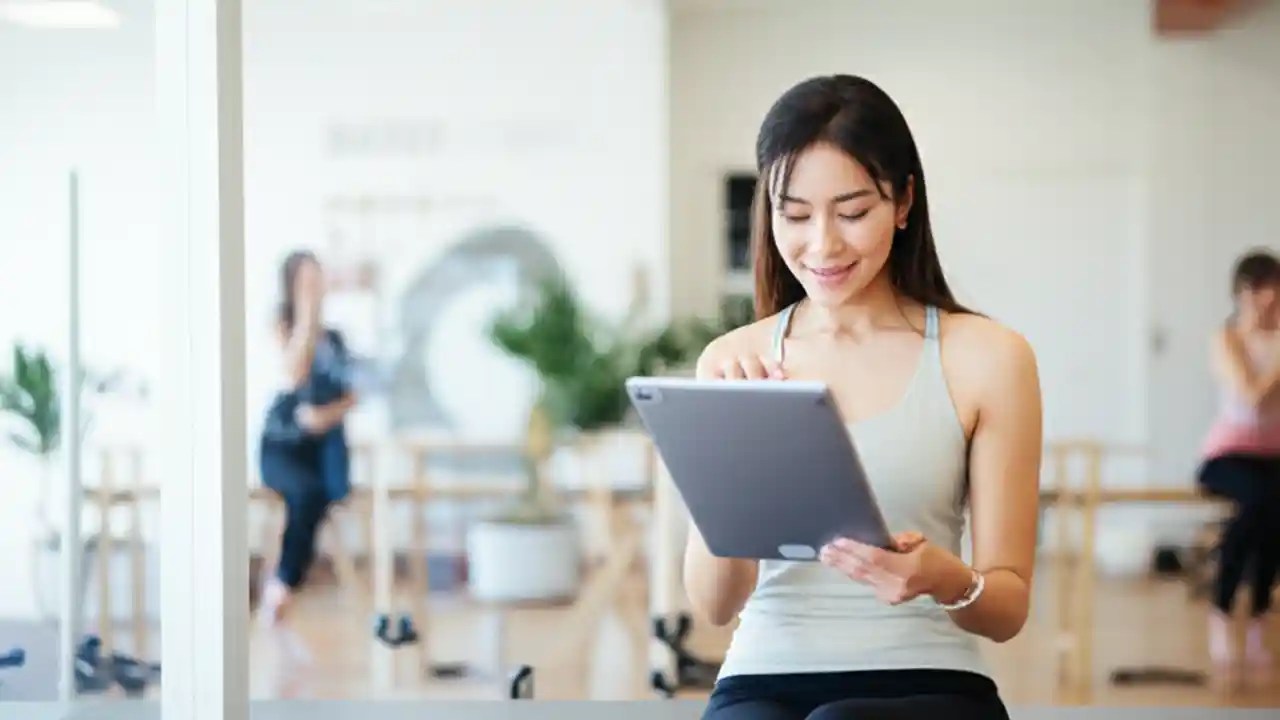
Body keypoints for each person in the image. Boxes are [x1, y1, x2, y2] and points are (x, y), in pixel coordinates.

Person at [688, 75, 1042, 720]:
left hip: (929, 679)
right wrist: (738, 448)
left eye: (852, 213)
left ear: (903, 202)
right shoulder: (732, 360)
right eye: (794, 215)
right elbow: (714, 606)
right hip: (763, 676)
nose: (822, 244)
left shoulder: (988, 357)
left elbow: (1008, 609)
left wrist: (945, 578)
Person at [257, 250, 358, 625]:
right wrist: (307, 313)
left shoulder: (337, 339)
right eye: (306, 280)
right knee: (304, 494)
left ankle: (282, 583)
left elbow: (352, 394)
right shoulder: (282, 325)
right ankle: (283, 582)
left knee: (320, 494)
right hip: (283, 446)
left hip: (321, 446)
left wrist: (323, 417)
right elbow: (295, 372)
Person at [1198, 249, 1280, 672]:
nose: (1266, 297)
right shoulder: (1228, 338)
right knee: (1261, 502)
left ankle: (1259, 617)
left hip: (1274, 460)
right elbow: (1250, 398)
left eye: (1272, 287)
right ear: (1241, 294)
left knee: (1274, 511)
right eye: (1256, 288)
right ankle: (1223, 608)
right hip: (1227, 457)